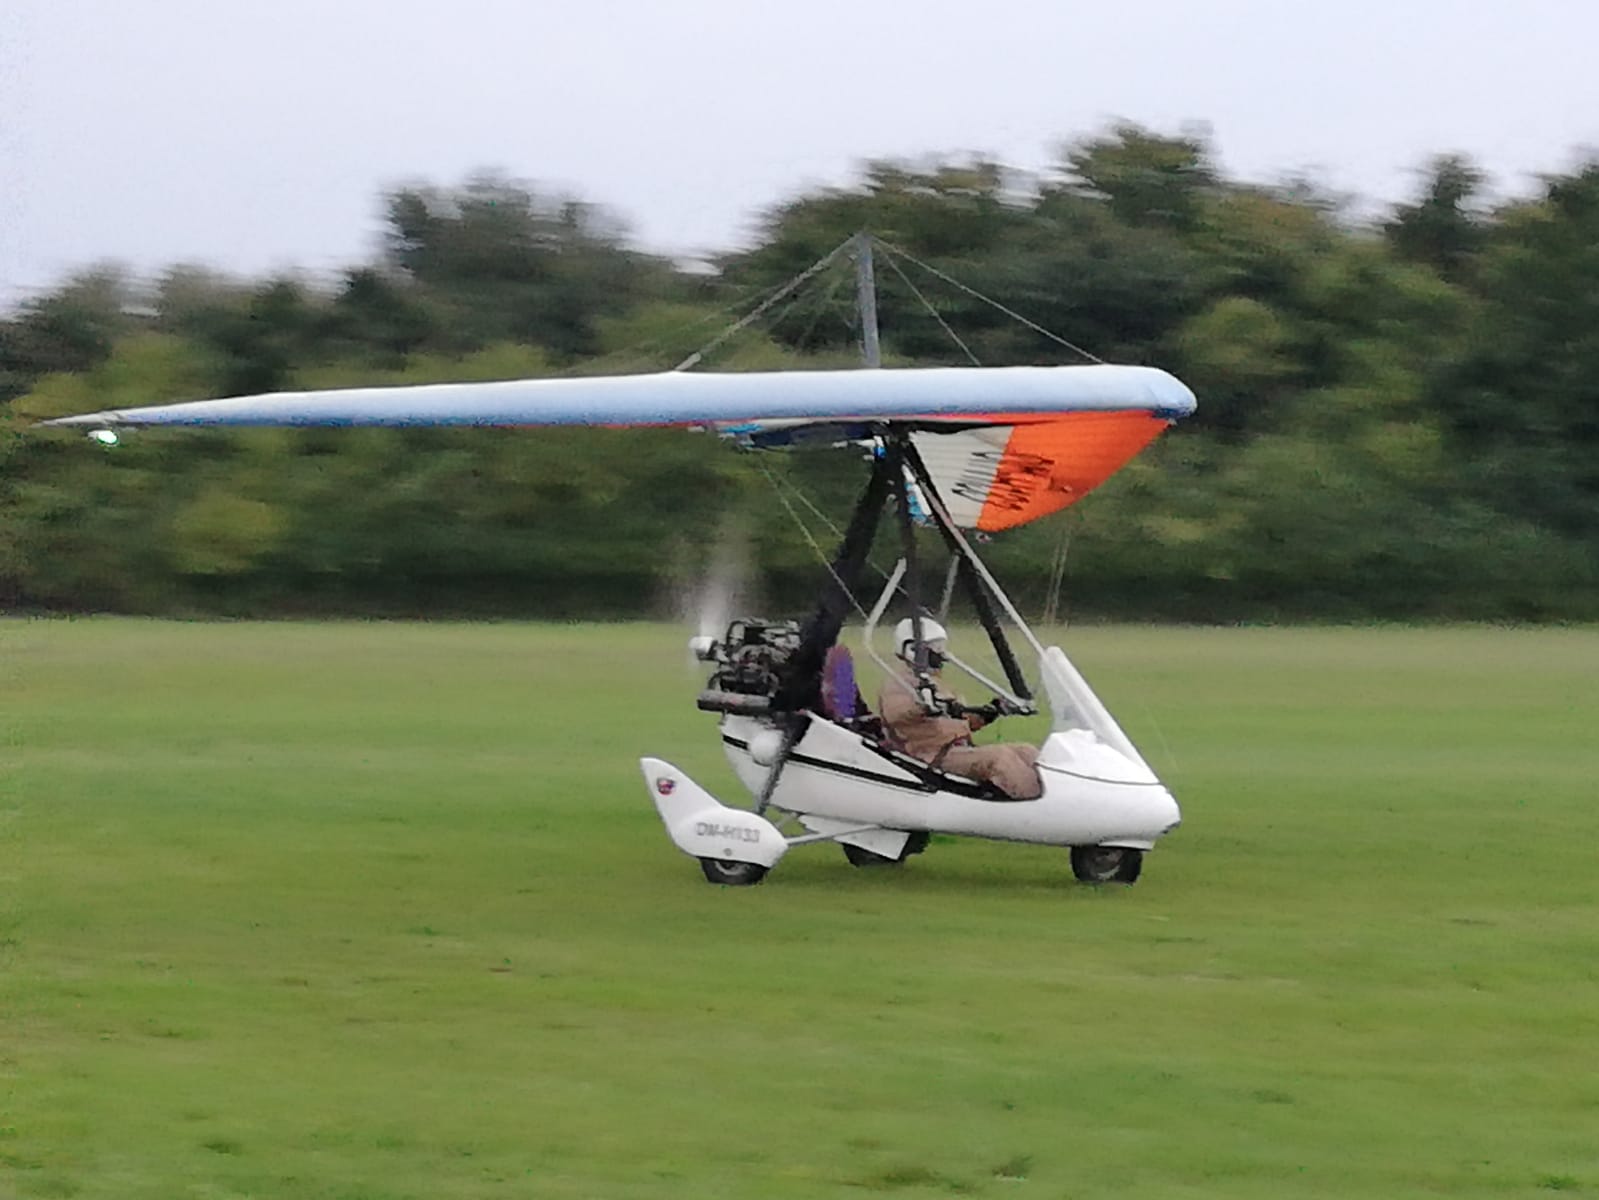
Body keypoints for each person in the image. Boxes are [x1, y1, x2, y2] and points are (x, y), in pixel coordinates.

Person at [877, 618, 1043, 800]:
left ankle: (1058, 795)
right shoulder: (899, 682)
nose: (941, 653)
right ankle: (1033, 804)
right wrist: (922, 706)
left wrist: (993, 710)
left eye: (941, 646)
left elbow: (959, 721)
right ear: (914, 650)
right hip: (931, 755)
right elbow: (896, 713)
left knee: (1027, 752)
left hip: (956, 749)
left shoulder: (932, 682)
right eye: (935, 647)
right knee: (999, 758)